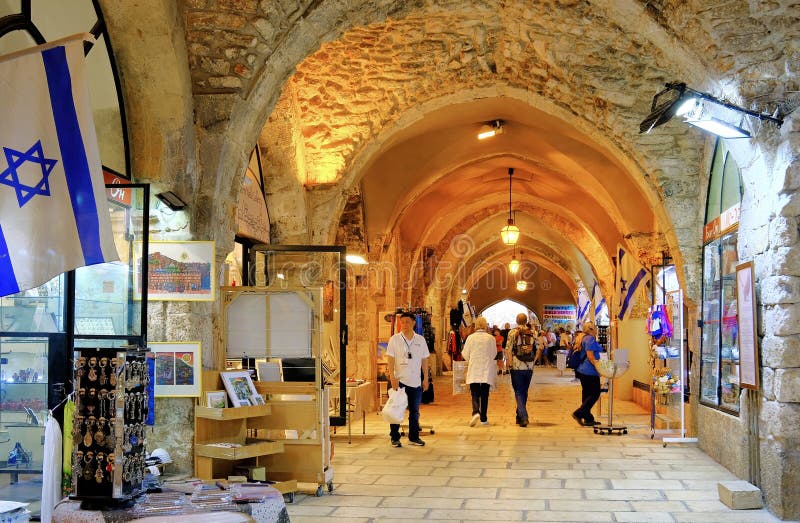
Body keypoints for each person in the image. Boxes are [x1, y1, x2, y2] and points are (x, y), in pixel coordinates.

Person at [386, 311, 430, 447]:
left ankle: (414, 437)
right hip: (399, 380)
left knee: (414, 411)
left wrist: (426, 378)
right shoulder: (394, 339)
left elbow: (424, 360)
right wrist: (392, 376)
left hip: (415, 381)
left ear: (413, 323)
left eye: (407, 322)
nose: (404, 325)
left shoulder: (420, 340)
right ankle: (394, 437)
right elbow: (390, 359)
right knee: (396, 409)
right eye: (402, 322)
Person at [462, 317, 498, 426]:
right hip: (486, 369)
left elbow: (465, 354)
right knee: (485, 394)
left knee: (475, 392)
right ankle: (484, 418)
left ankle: (475, 412)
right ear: (485, 325)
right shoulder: (490, 338)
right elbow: (494, 353)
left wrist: (471, 359)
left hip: (474, 368)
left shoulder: (471, 338)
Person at [505, 313, 535, 427]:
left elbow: (508, 349)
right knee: (524, 391)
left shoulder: (512, 332)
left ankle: (524, 416)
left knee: (518, 391)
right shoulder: (533, 332)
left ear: (517, 321)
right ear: (526, 320)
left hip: (517, 365)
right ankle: (519, 416)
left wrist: (509, 363)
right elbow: (538, 349)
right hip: (529, 366)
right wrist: (533, 362)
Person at [572, 324, 603, 426]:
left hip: (582, 370)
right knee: (595, 393)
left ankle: (588, 418)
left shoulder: (582, 338)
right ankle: (578, 413)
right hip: (589, 371)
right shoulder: (590, 339)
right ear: (591, 329)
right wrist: (599, 368)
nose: (596, 330)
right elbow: (590, 356)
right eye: (595, 328)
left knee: (587, 394)